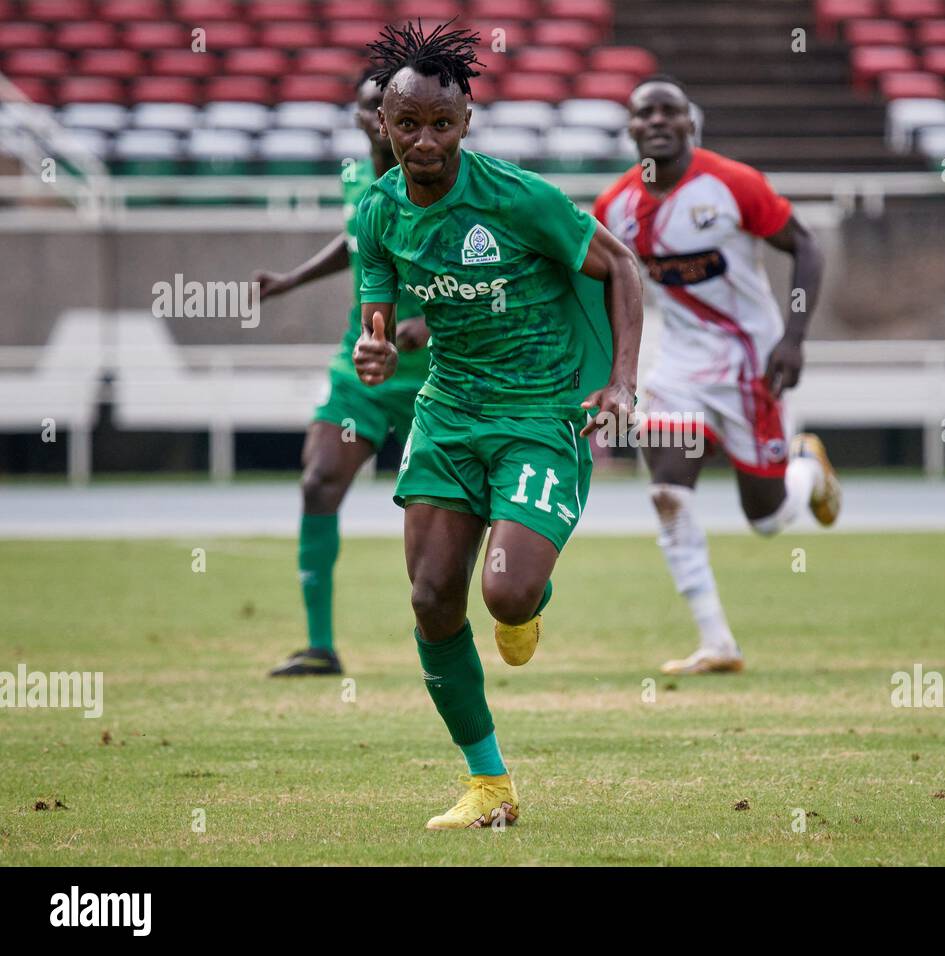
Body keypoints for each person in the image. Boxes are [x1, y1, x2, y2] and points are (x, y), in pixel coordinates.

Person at [352, 21, 643, 828]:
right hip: (448, 414)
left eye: (441, 123)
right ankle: (490, 785)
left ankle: (530, 595)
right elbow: (377, 311)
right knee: (432, 597)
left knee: (505, 596)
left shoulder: (517, 199)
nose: (424, 140)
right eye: (407, 124)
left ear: (467, 120)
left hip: (540, 415)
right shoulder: (378, 212)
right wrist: (373, 350)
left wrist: (620, 383)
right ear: (384, 123)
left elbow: (621, 264)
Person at [593, 76, 840, 677]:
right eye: (643, 112)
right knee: (666, 493)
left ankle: (805, 471)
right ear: (629, 128)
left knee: (767, 519)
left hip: (750, 364)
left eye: (668, 112)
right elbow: (600, 285)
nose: (655, 121)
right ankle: (717, 641)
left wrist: (794, 337)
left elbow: (805, 246)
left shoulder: (732, 185)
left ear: (689, 124)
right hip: (677, 364)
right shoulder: (614, 209)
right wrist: (608, 374)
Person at [253, 72, 430, 677]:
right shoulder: (358, 180)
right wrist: (292, 280)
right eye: (371, 108)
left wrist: (429, 321)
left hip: (441, 372)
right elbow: (357, 238)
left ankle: (506, 600)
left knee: (458, 509)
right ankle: (320, 646)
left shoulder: (441, 178)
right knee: (319, 482)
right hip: (365, 366)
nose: (380, 119)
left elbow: (484, 262)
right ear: (364, 117)